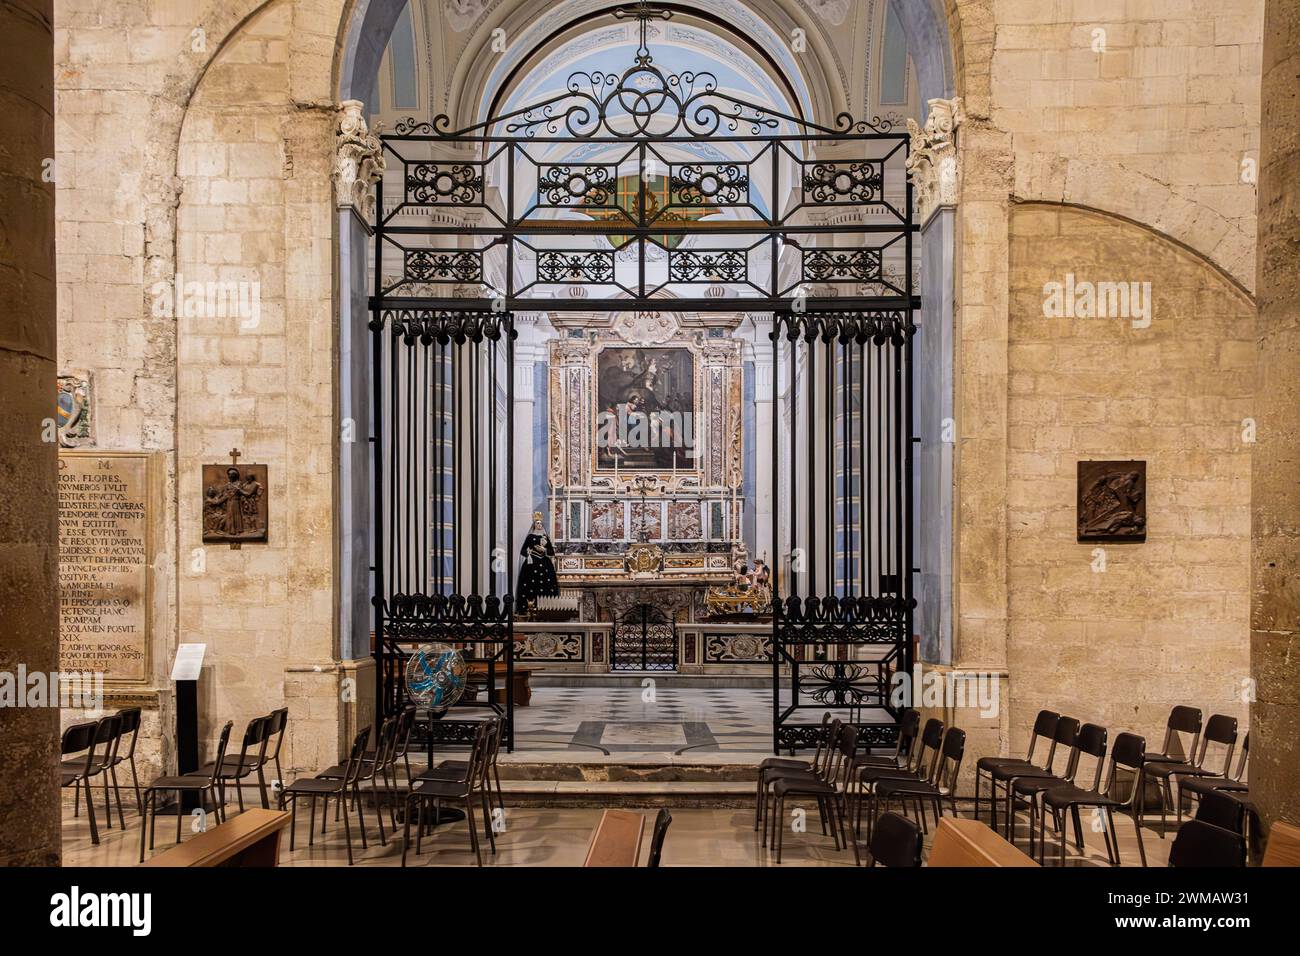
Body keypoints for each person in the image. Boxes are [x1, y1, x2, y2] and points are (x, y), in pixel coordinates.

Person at [517, 512, 559, 610]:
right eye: (537, 523)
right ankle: (529, 609)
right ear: (534, 525)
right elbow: (523, 551)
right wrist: (528, 551)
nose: (539, 525)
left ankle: (546, 609)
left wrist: (544, 550)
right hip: (532, 564)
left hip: (545, 563)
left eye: (540, 523)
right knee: (531, 585)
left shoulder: (545, 537)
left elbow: (551, 552)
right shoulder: (530, 537)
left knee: (546, 585)